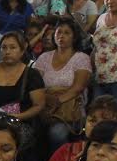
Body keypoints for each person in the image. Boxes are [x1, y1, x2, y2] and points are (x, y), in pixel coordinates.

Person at [0, 31, 47, 156]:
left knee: (5, 143)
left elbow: (39, 105)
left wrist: (17, 117)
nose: (7, 51)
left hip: (19, 122)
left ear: (22, 50)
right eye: (4, 47)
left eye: (12, 47)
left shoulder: (31, 75)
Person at [34, 18, 93, 148]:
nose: (61, 36)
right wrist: (47, 100)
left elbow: (78, 88)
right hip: (44, 105)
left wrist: (57, 101)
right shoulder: (44, 57)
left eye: (67, 33)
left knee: (57, 133)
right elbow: (34, 84)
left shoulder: (81, 58)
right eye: (59, 32)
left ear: (74, 37)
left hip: (69, 111)